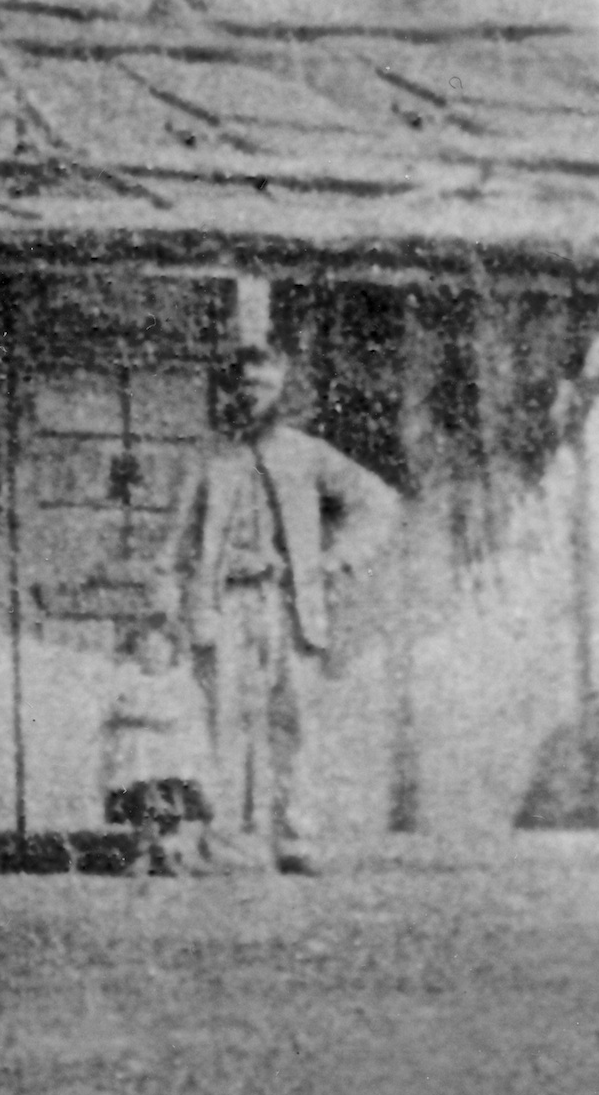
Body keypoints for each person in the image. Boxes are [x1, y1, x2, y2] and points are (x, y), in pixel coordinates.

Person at [160, 344, 399, 876]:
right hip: (224, 601)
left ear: (281, 391)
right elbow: (175, 538)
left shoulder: (307, 454)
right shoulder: (204, 456)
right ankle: (224, 842)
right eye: (243, 385)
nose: (252, 396)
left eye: (264, 385)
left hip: (289, 604)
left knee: (296, 721)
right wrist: (169, 595)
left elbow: (379, 503)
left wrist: (337, 559)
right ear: (227, 390)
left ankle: (296, 839)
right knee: (224, 719)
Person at [100, 620, 214, 875]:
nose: (153, 654)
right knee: (142, 804)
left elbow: (177, 715)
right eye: (146, 647)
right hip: (137, 762)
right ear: (135, 650)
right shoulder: (128, 679)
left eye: (160, 647)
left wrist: (143, 715)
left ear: (174, 650)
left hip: (171, 761)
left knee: (171, 803)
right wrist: (133, 714)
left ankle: (171, 853)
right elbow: (113, 708)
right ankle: (144, 851)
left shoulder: (180, 682)